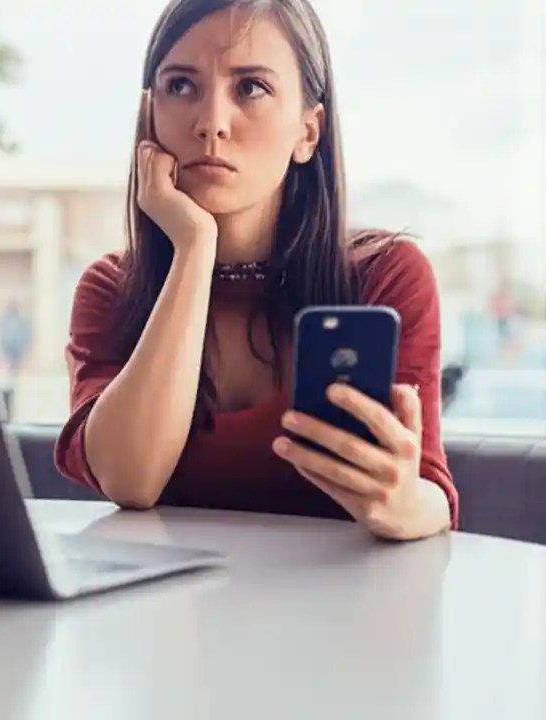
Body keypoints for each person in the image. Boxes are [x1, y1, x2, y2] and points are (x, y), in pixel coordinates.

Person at [54, 0, 457, 541]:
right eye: (180, 86)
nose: (210, 124)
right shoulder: (111, 290)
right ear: (150, 117)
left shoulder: (382, 276)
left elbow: (431, 492)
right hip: (162, 619)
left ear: (307, 132)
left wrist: (404, 502)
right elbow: (130, 479)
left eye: (250, 89)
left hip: (336, 614)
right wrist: (195, 245)